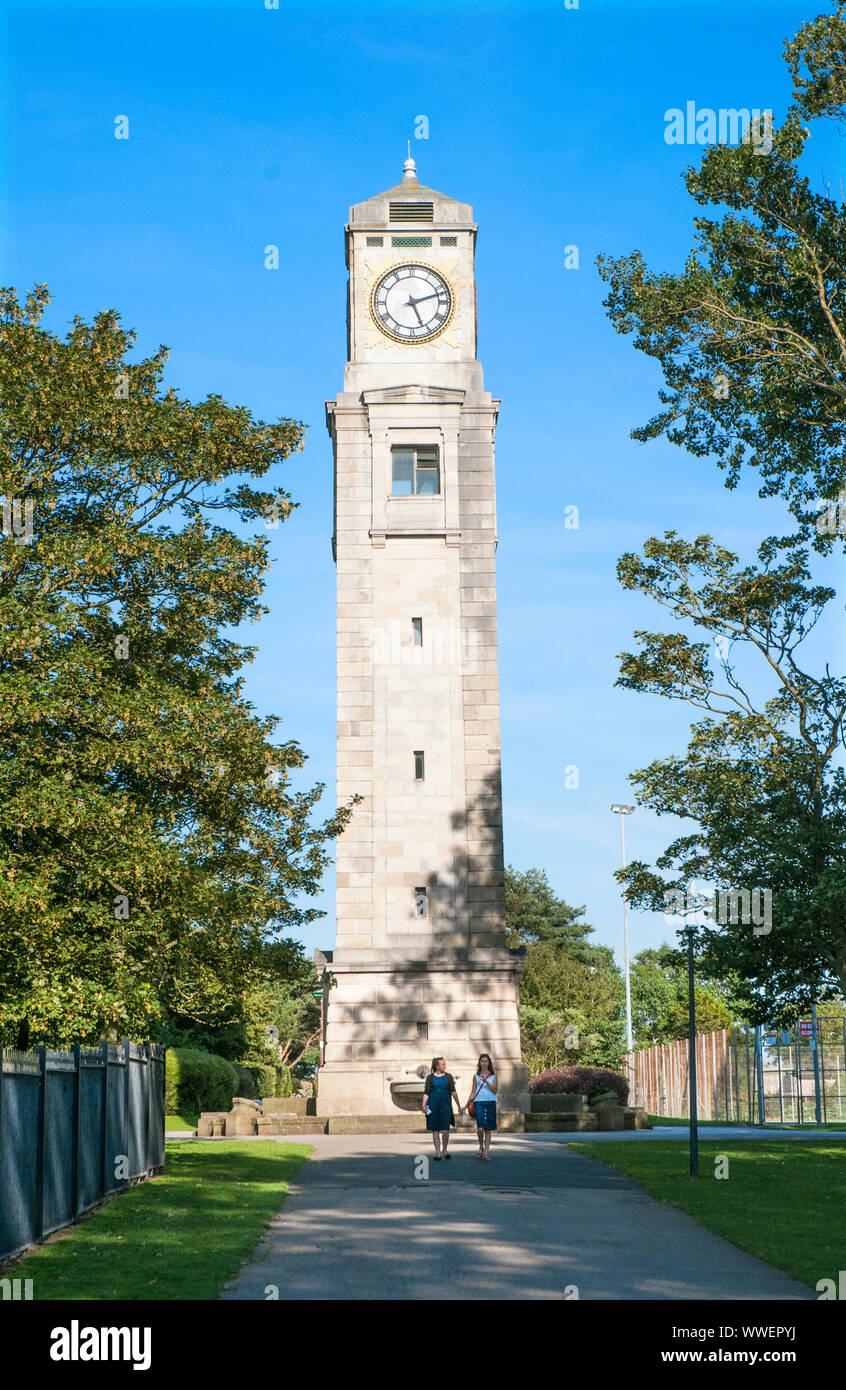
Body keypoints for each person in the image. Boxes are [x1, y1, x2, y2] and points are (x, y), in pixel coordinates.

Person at [421, 1056, 461, 1159]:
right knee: (435, 1130)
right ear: (437, 1066)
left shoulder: (448, 1077)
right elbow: (427, 1092)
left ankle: (445, 1149)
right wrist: (423, 1105)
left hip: (445, 1106)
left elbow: (453, 1092)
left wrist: (459, 1105)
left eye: (445, 1064)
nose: (445, 1066)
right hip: (432, 1107)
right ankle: (438, 1153)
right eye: (443, 1064)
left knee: (445, 1130)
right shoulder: (430, 1078)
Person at [467, 1053, 498, 1160]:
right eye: (482, 1061)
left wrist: (486, 1082)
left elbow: (495, 1091)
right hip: (479, 1103)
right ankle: (481, 1146)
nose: (484, 1063)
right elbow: (473, 1091)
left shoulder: (493, 1076)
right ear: (479, 1063)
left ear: (489, 1063)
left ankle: (486, 1152)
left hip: (490, 1102)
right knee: (480, 1129)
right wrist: (466, 1104)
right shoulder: (476, 1076)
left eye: (486, 1061)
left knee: (488, 1129)